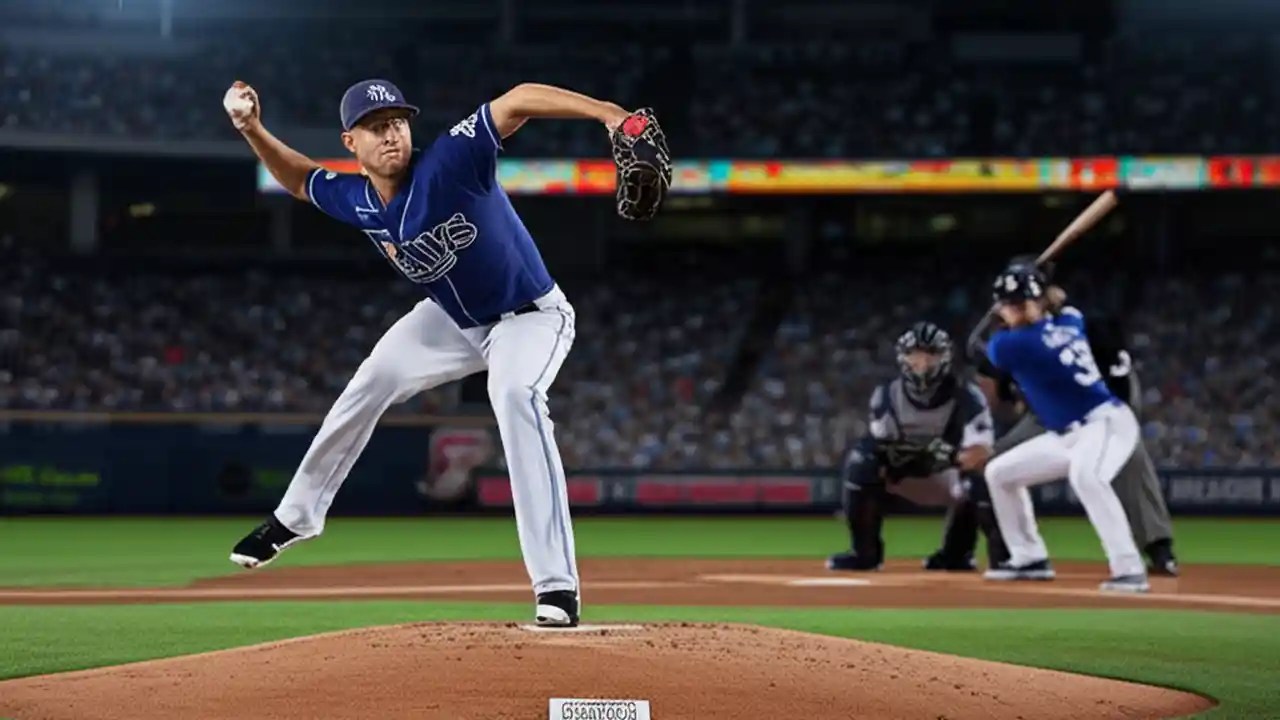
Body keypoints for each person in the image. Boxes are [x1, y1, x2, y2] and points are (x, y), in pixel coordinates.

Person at [221, 77, 637, 627]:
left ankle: (556, 586)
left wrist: (609, 113)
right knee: (371, 380)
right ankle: (295, 518)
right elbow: (300, 178)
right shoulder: (359, 200)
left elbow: (516, 100)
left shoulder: (450, 162)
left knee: (514, 395)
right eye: (375, 127)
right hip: (454, 320)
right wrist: (252, 128)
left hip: (530, 317)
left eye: (396, 121)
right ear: (351, 143)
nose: (390, 134)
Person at [968, 257, 1178, 576]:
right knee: (998, 471)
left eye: (1021, 303)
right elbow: (1060, 316)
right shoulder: (1069, 321)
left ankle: (1134, 564)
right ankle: (1026, 557)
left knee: (1090, 476)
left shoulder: (1013, 342)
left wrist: (999, 314)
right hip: (1058, 422)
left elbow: (981, 349)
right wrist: (1037, 301)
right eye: (1012, 304)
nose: (1017, 309)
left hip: (1100, 416)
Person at [826, 322, 1003, 572]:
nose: (923, 363)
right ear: (903, 358)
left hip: (948, 477)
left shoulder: (968, 396)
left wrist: (947, 456)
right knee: (860, 462)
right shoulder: (886, 395)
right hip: (903, 476)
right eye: (915, 355)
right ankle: (864, 553)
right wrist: (927, 452)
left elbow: (980, 453)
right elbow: (880, 446)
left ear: (945, 358)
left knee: (982, 476)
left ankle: (961, 554)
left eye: (931, 354)